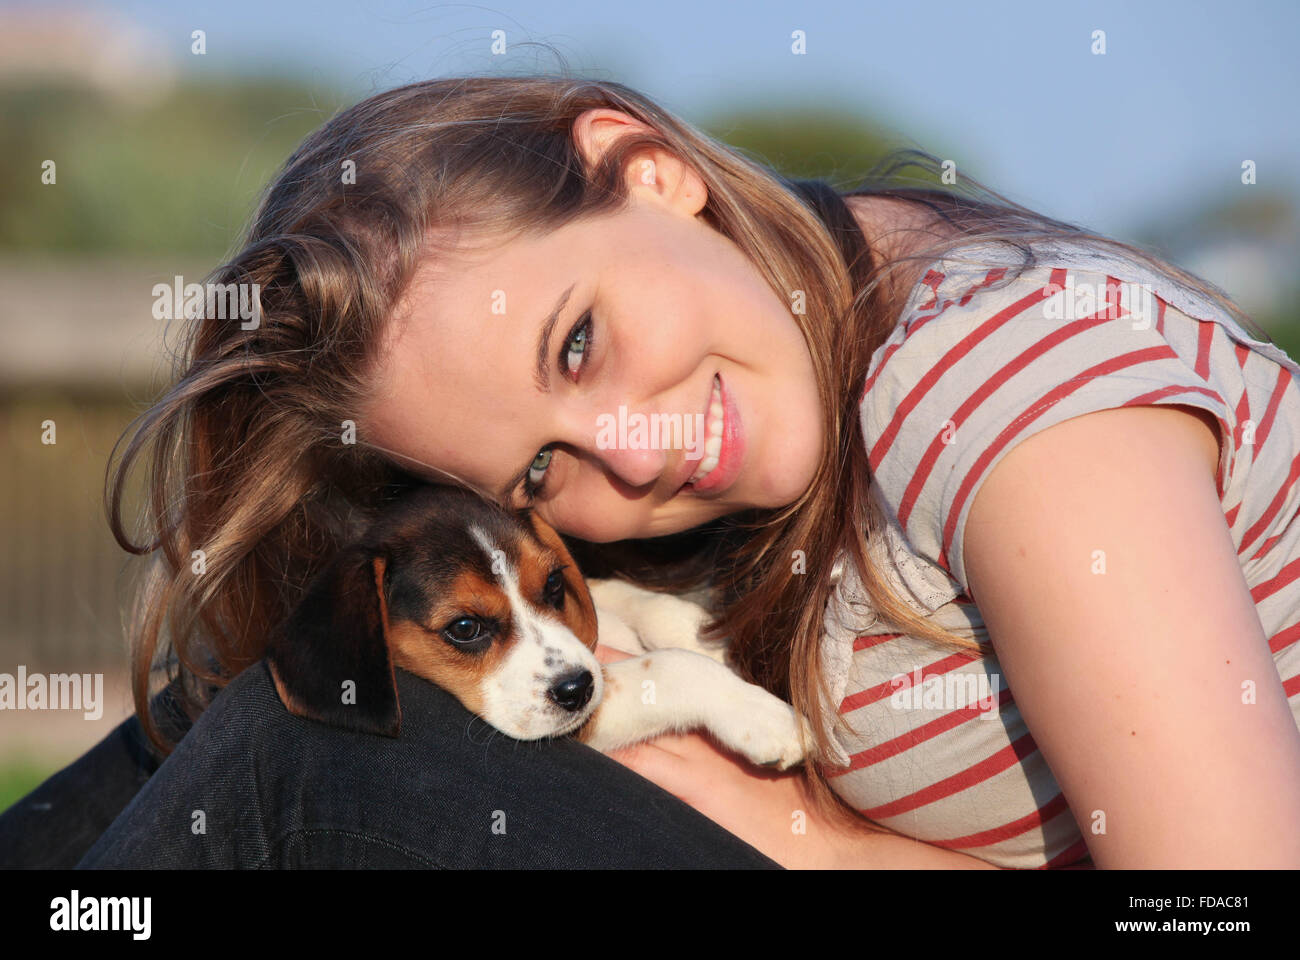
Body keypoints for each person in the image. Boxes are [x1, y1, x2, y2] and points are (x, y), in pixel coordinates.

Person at [5, 74, 1298, 869]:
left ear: (653, 171)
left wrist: (812, 845)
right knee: (255, 686)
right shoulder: (779, 406)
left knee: (297, 760)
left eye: (579, 340)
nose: (630, 449)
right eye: (538, 469)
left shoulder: (1017, 400)